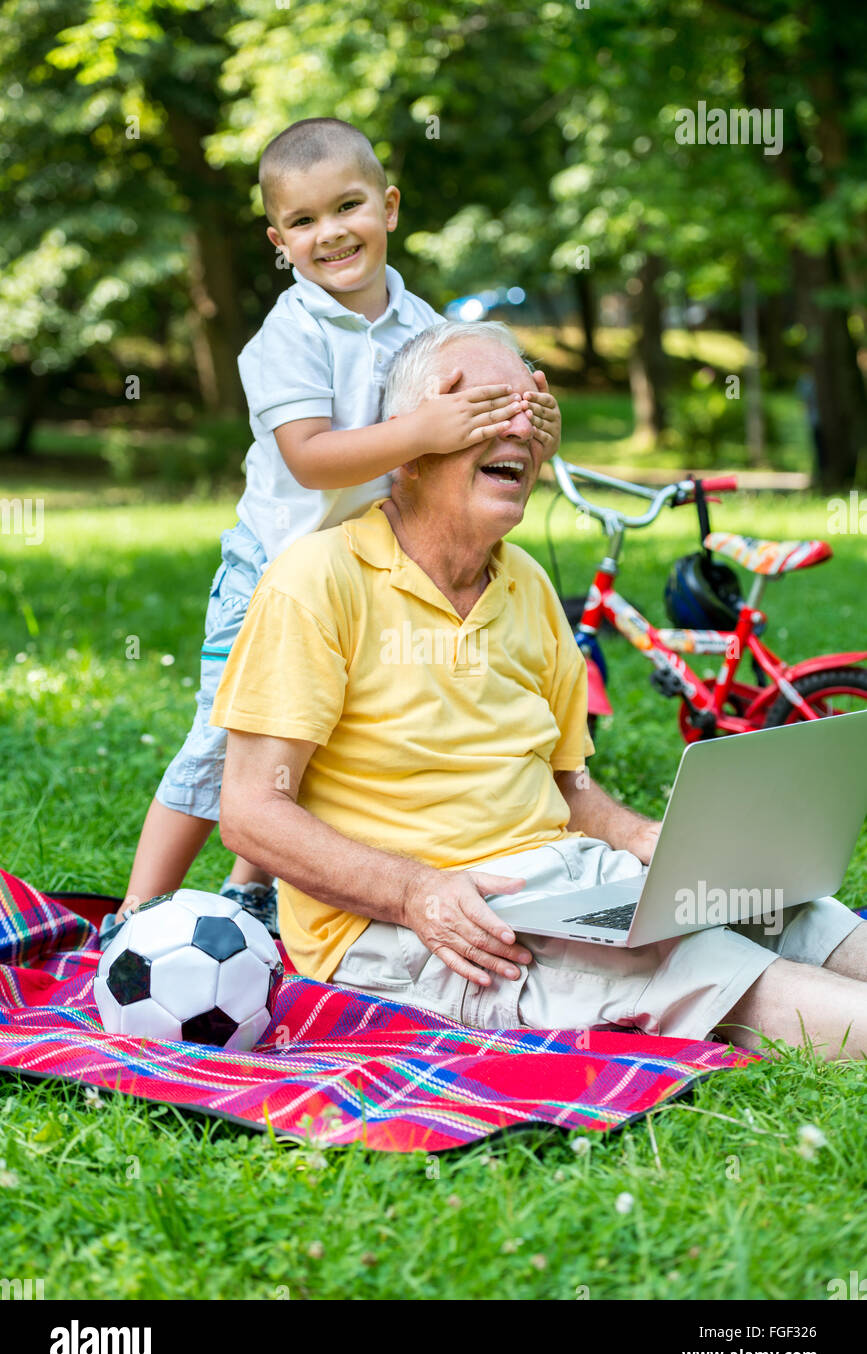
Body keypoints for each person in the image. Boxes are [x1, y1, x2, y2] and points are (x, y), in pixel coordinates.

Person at [211, 319, 867, 1057]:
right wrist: (413, 891)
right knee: (702, 964)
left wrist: (646, 840)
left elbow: (569, 788)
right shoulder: (316, 581)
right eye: (487, 407)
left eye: (529, 408)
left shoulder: (526, 584)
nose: (519, 427)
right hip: (408, 926)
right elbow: (251, 812)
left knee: (787, 909)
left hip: (564, 884)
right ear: (408, 446)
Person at [104, 118, 560, 940]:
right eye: (304, 222)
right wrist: (424, 430)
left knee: (317, 739)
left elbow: (467, 422)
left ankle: (251, 889)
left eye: (347, 206)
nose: (330, 234)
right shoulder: (288, 336)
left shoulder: (422, 322)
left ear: (387, 207)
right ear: (278, 240)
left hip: (363, 574)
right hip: (273, 574)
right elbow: (311, 458)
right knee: (224, 742)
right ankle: (139, 909)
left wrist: (519, 415)